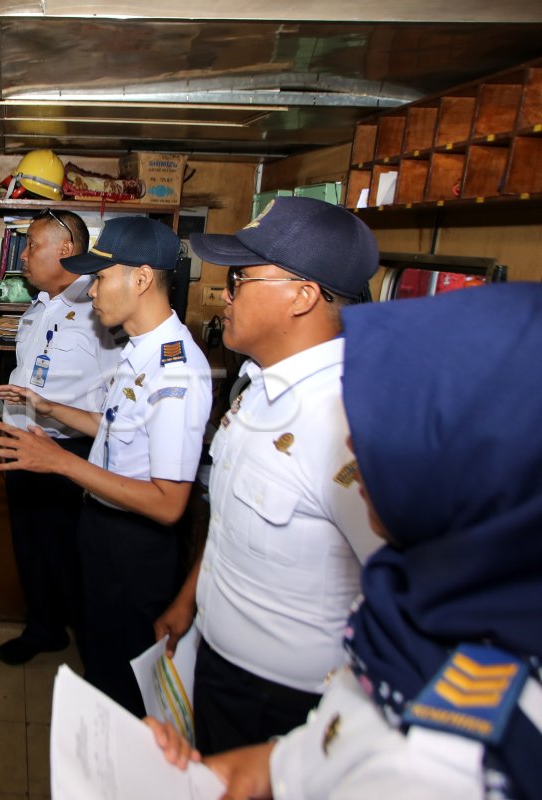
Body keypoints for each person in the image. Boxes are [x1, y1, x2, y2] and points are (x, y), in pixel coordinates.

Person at [147, 283, 542, 800]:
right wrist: (211, 775)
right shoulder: (407, 631)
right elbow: (304, 760)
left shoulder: (454, 760)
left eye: (394, 427)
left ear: (475, 464)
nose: (353, 443)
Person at [152, 196, 384, 755]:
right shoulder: (260, 387)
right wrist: (190, 600)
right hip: (218, 661)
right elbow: (232, 521)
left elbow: (404, 595)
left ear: (303, 296)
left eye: (239, 279)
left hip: (290, 706)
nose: (223, 296)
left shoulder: (348, 421)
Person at [0, 216, 211, 715]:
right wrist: (47, 407)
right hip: (105, 524)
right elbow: (111, 427)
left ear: (142, 278)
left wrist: (58, 461)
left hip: (136, 544)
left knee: (124, 688)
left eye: (103, 278)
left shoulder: (176, 371)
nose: (93, 292)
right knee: (104, 672)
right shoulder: (140, 352)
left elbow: (170, 504)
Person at [0, 209, 121, 666]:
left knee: (72, 559)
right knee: (31, 549)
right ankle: (43, 629)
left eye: (31, 246)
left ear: (67, 249)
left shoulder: (100, 312)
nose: (23, 256)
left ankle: (96, 656)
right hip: (23, 446)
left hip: (69, 451)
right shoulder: (40, 304)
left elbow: (117, 401)